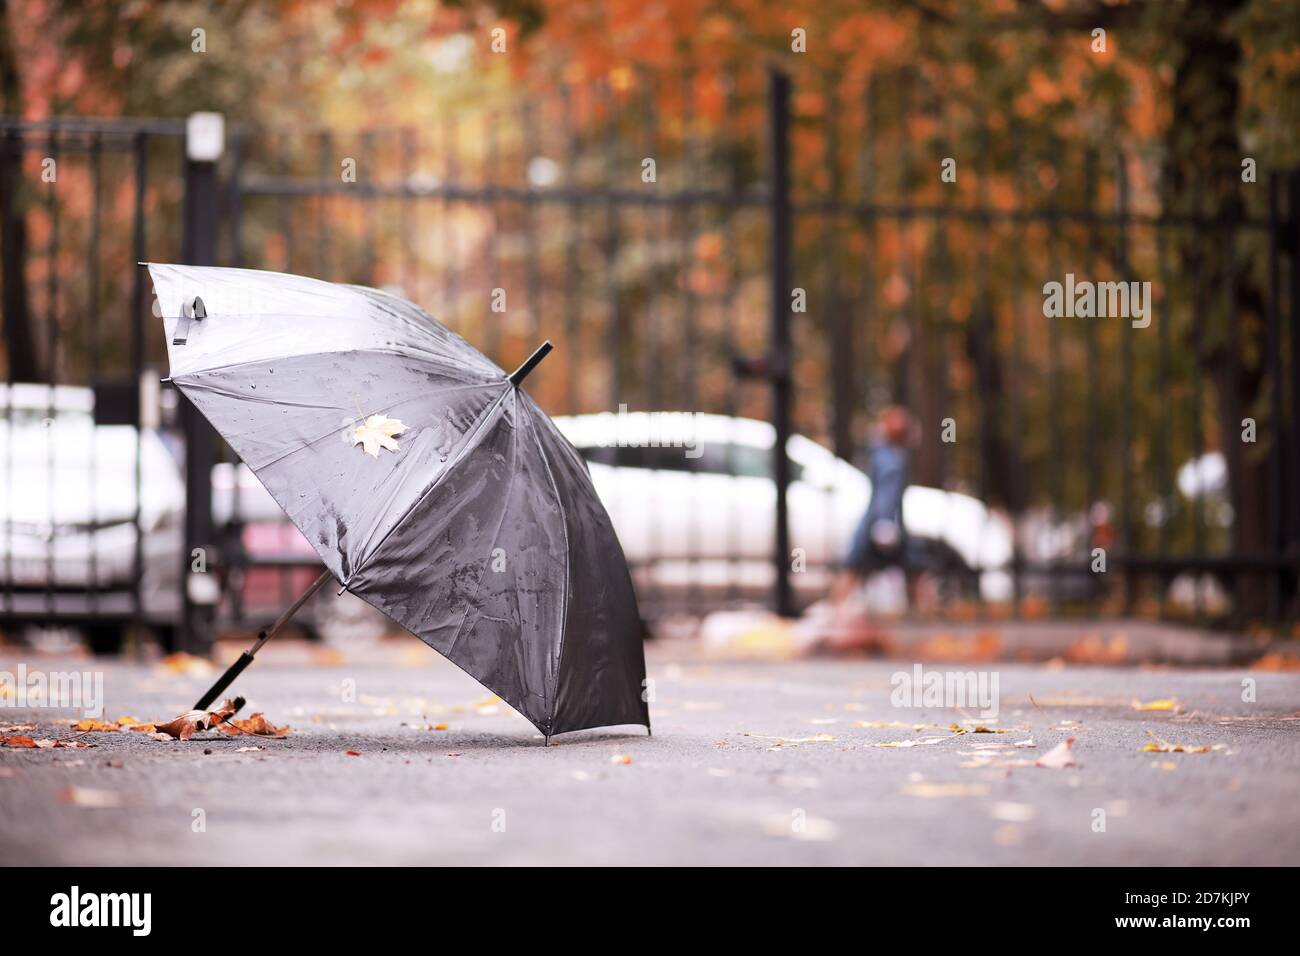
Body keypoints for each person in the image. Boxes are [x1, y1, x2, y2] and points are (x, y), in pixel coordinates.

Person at [830, 405, 913, 619]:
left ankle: (837, 611)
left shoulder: (883, 451)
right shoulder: (890, 457)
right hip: (880, 523)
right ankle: (835, 612)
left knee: (909, 565)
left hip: (881, 523)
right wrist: (885, 522)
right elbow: (887, 492)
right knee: (855, 567)